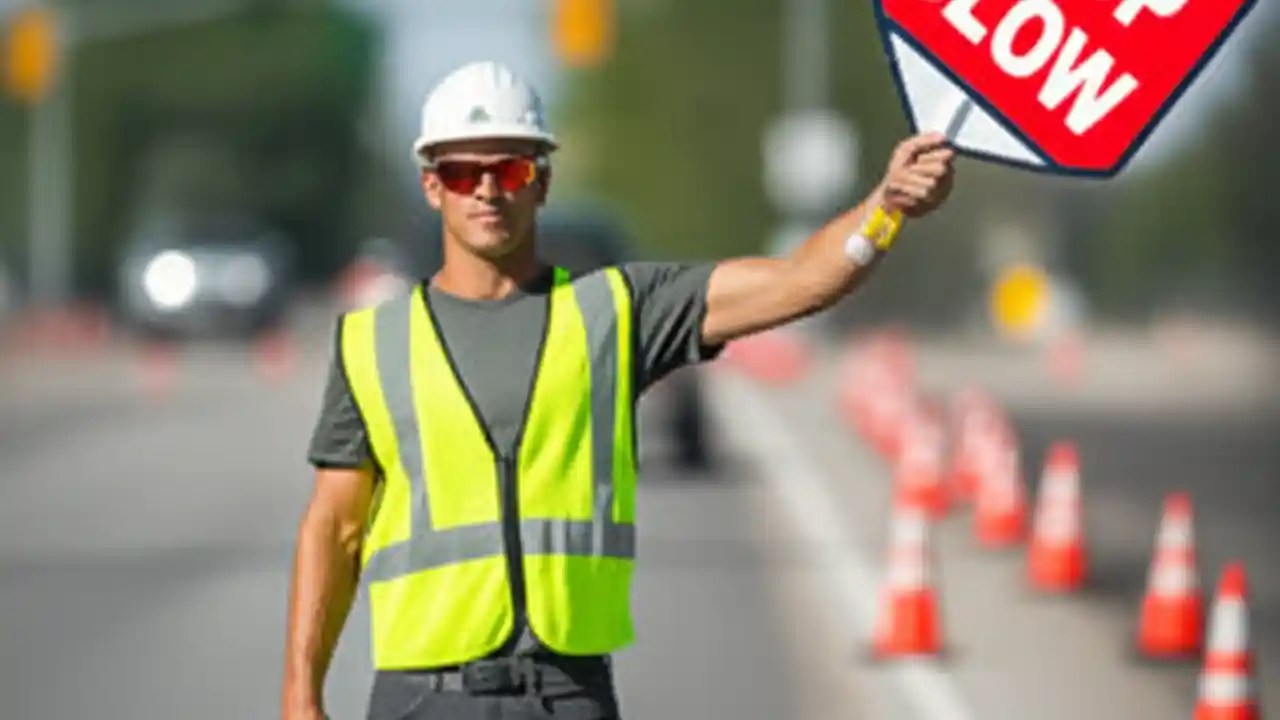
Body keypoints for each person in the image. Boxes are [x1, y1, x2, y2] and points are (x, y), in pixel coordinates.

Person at [282, 60, 955, 720]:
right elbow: (335, 529)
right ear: (433, 187)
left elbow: (796, 282)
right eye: (464, 173)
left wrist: (885, 208)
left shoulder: (617, 312)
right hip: (421, 699)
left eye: (510, 169)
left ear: (540, 182)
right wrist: (301, 693)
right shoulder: (371, 344)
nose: (488, 190)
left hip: (567, 694)